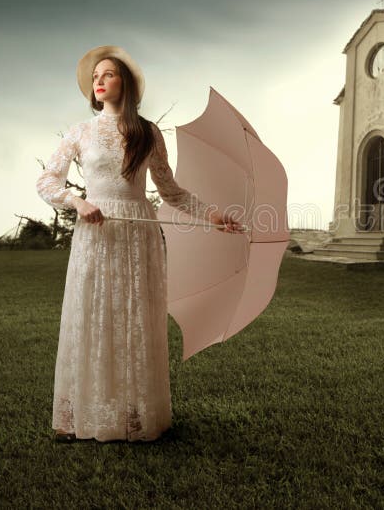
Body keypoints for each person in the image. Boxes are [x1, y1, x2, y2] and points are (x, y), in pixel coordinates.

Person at [36, 45, 239, 442]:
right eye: (95, 76)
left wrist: (215, 216)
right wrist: (79, 202)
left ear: (124, 83)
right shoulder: (80, 132)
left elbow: (172, 192)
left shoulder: (147, 133)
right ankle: (81, 414)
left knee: (133, 319)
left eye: (107, 74)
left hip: (137, 231)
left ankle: (133, 416)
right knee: (92, 314)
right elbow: (47, 181)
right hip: (94, 232)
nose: (99, 81)